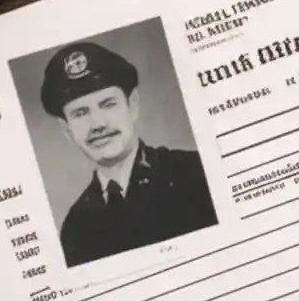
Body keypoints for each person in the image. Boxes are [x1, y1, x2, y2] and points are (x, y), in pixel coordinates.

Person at [40, 41, 219, 267]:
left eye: (108, 104)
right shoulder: (75, 228)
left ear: (132, 105)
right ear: (67, 130)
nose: (97, 124)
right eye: (80, 113)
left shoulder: (195, 174)